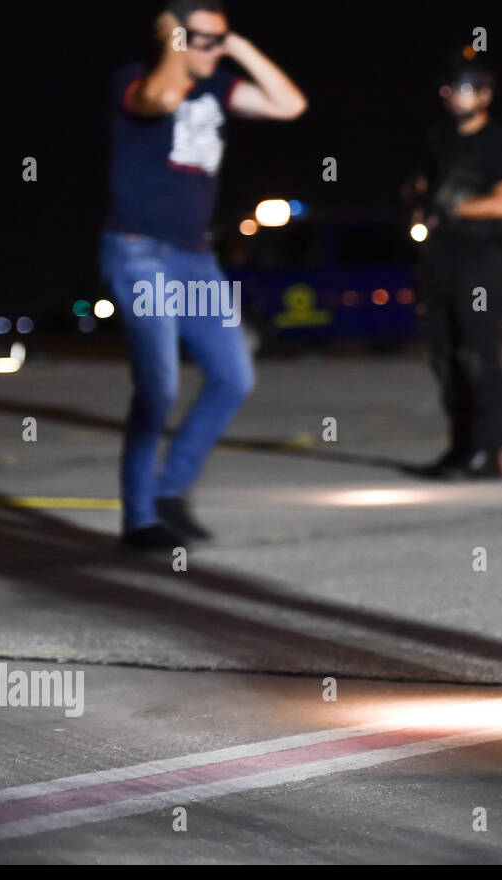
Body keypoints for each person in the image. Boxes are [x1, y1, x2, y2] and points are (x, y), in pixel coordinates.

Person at [103, 1, 306, 550]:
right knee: (159, 387)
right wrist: (176, 44)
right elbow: (165, 97)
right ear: (171, 36)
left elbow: (290, 105)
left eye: (220, 39)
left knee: (234, 375)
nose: (211, 49)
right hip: (139, 252)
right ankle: (139, 520)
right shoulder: (137, 80)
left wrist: (234, 47)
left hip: (195, 258)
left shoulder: (218, 87)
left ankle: (170, 493)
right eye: (201, 39)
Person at [405, 52, 502, 481]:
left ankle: (489, 453)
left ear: (486, 94)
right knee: (442, 356)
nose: (455, 96)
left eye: (465, 88)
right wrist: (420, 204)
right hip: (438, 260)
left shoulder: (497, 139)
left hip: (479, 263)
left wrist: (457, 206)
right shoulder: (438, 137)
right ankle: (460, 447)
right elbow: (420, 186)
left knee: (479, 356)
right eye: (450, 88)